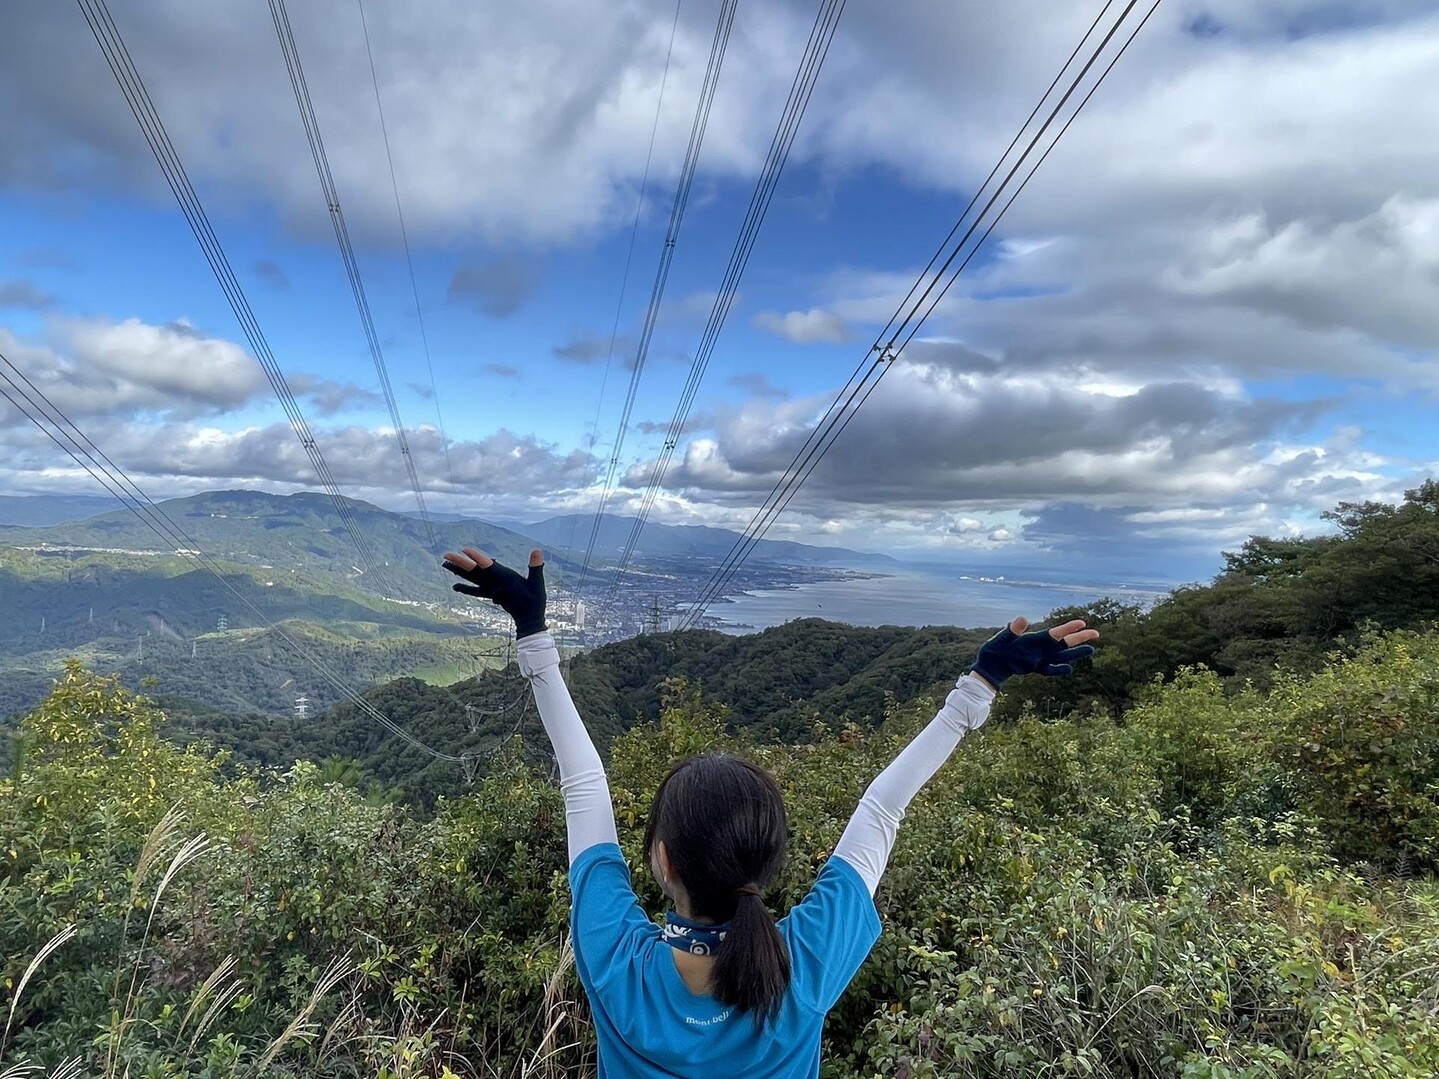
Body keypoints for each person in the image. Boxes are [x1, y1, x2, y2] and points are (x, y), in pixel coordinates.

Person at [443, 547, 1099, 1079]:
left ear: (662, 860)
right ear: (771, 855)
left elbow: (583, 782)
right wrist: (976, 688)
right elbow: (881, 807)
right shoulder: (800, 971)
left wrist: (532, 634)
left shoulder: (617, 961)